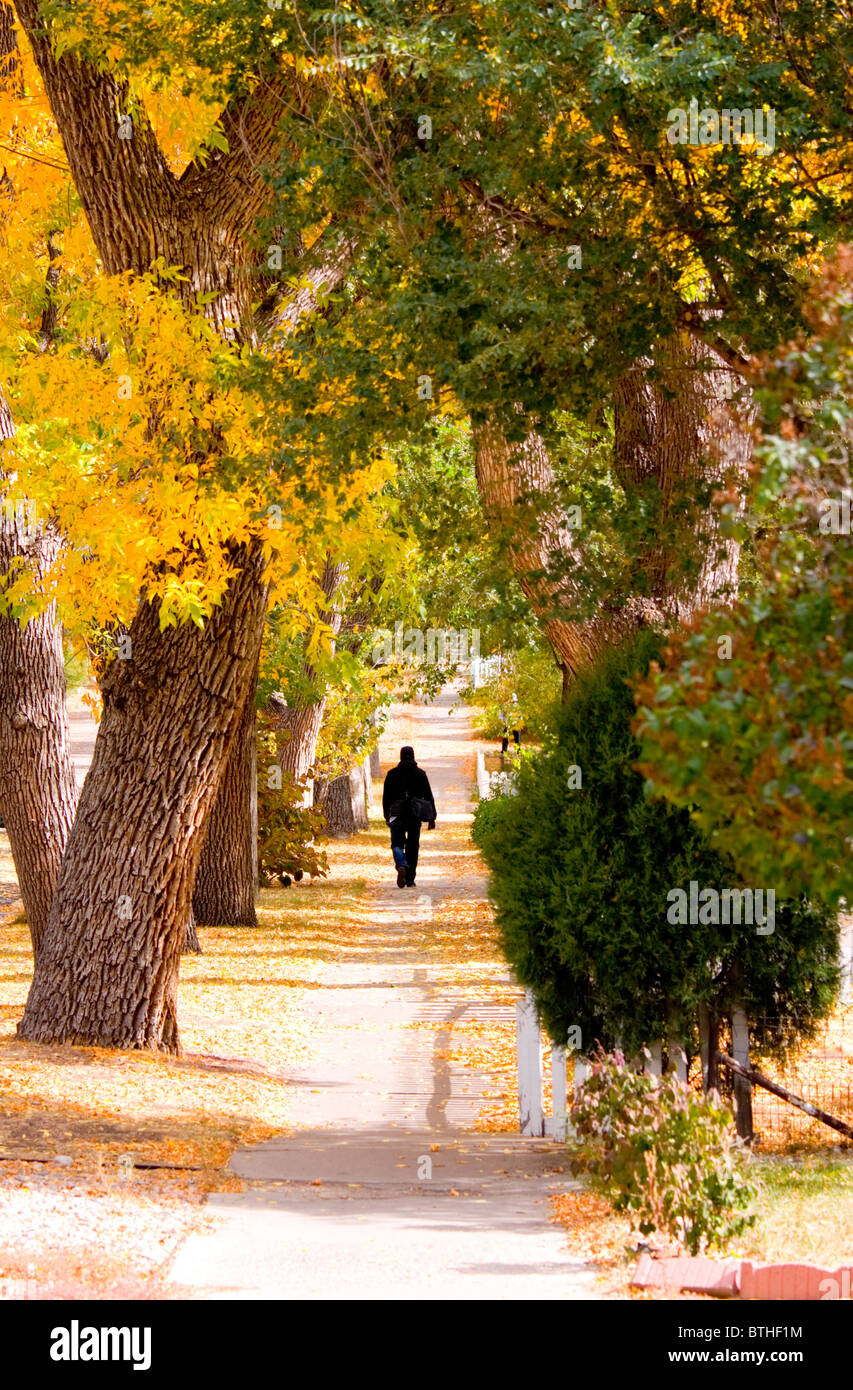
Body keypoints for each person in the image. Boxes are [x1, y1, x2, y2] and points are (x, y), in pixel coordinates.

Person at [382, 745, 436, 888]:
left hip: (396, 814)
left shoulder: (392, 774)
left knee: (397, 844)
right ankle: (410, 879)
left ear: (400, 756)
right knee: (413, 846)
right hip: (414, 815)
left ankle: (401, 864)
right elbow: (429, 796)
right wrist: (432, 817)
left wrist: (386, 815)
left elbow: (386, 797)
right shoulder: (420, 774)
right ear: (413, 756)